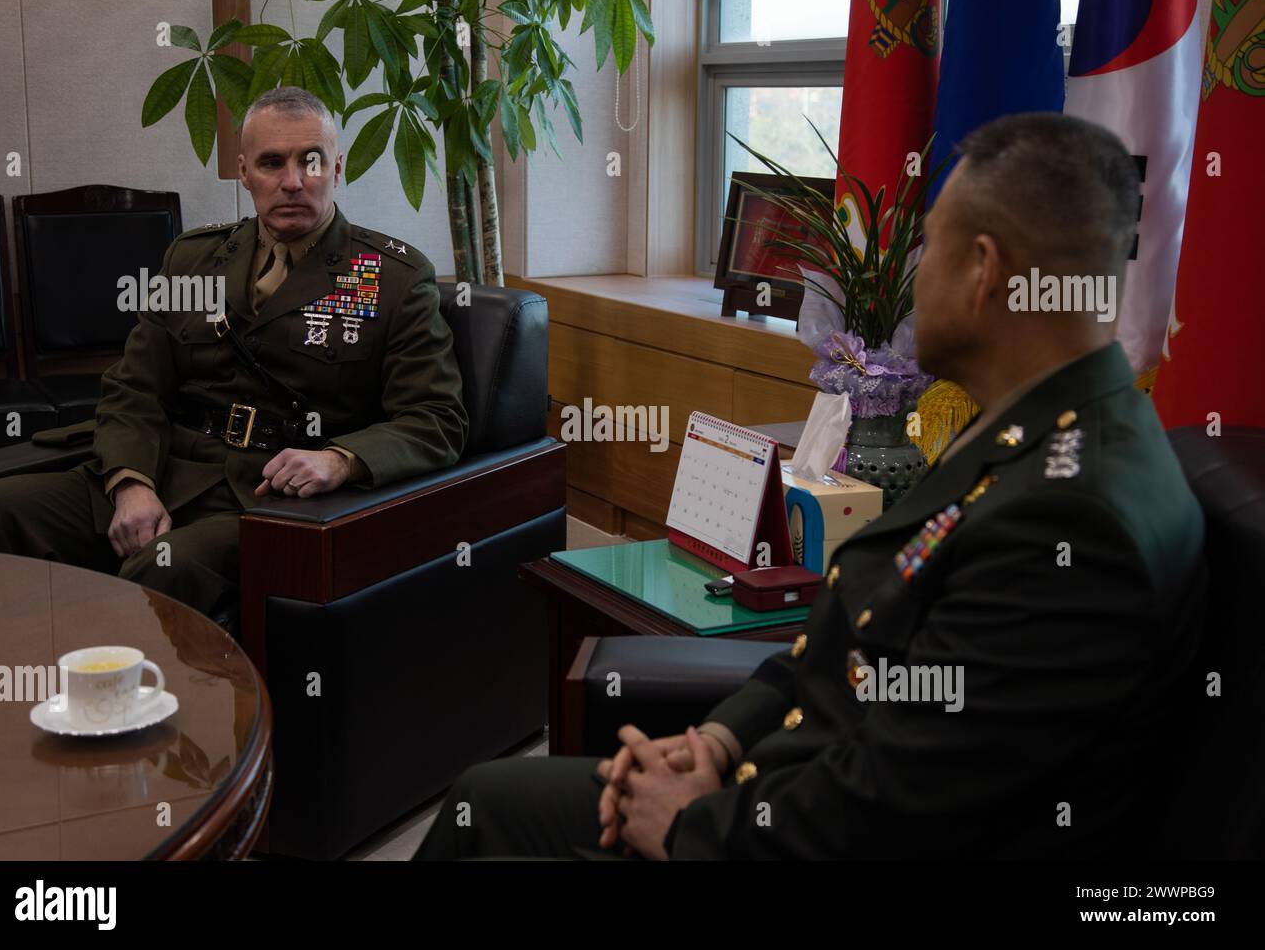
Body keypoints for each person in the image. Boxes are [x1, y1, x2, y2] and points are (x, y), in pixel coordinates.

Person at [414, 111, 1208, 860]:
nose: (912, 275)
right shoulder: (1028, 431)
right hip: (777, 787)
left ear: (982, 270)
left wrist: (692, 825)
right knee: (483, 800)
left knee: (486, 817)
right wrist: (715, 744)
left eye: (926, 248)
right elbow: (856, 639)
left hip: (788, 834)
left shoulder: (1070, 518)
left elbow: (902, 808)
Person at [0, 87, 468, 625]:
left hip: (267, 501)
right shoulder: (193, 259)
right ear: (245, 171)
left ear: (337, 169)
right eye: (272, 163)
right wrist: (132, 483)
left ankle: (136, 706)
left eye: (311, 161)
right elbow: (135, 387)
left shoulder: (391, 277)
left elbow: (436, 420)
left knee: (161, 570)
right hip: (165, 469)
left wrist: (339, 460)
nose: (293, 181)